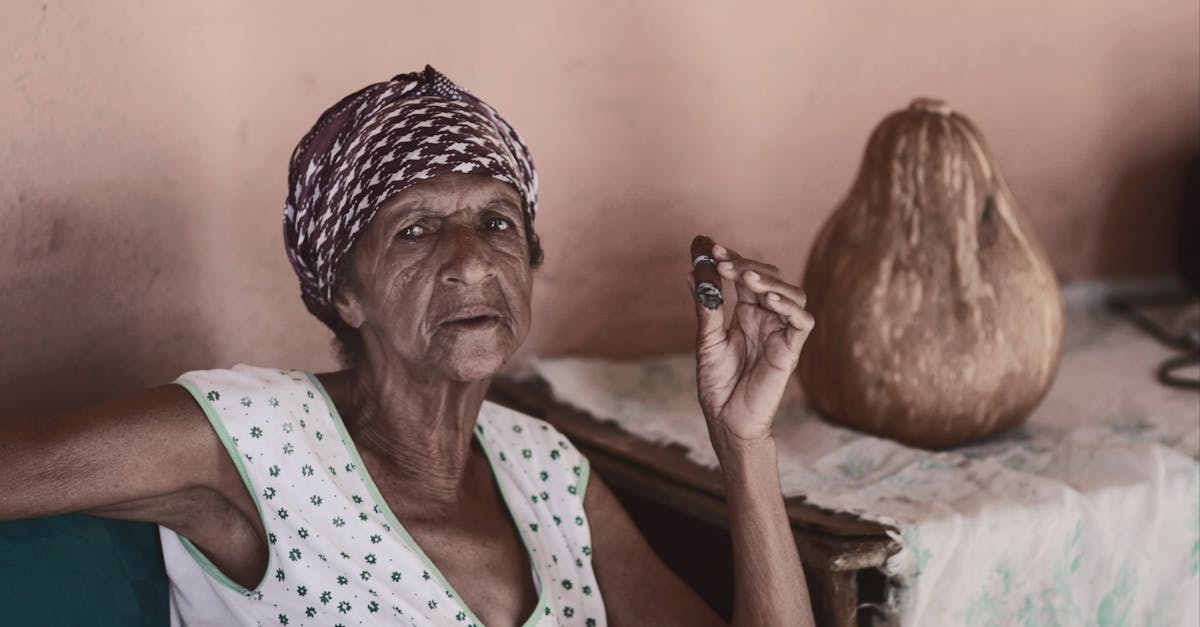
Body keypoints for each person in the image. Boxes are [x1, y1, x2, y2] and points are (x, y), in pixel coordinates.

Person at [0, 66, 816, 627]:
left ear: (529, 263)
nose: (470, 260)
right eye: (417, 229)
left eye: (497, 221)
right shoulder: (253, 439)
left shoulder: (547, 470)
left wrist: (743, 441)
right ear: (344, 293)